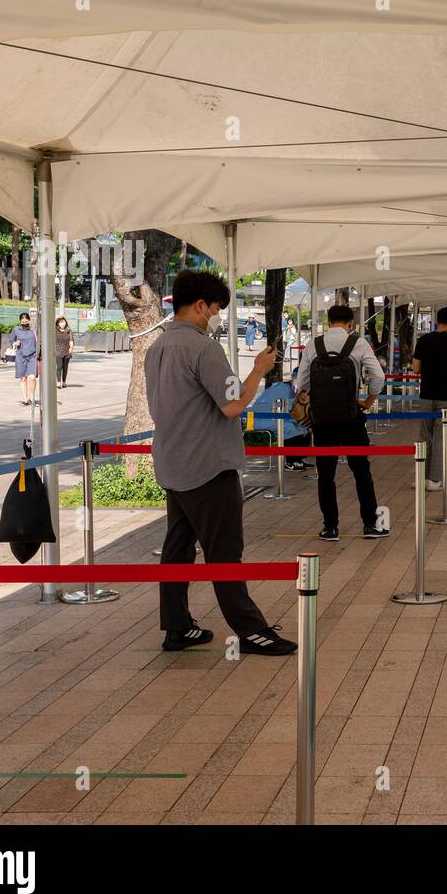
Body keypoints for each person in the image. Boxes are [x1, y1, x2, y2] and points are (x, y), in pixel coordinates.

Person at [145, 269, 296, 656]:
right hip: (209, 466)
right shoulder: (203, 348)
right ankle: (251, 631)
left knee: (177, 550)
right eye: (214, 308)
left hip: (173, 463)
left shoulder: (157, 347)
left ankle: (177, 627)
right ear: (199, 305)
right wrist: (258, 371)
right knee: (225, 552)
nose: (214, 315)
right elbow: (233, 404)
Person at [296, 303, 388, 541]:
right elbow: (378, 376)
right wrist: (368, 400)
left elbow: (302, 383)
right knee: (361, 472)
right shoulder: (357, 343)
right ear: (350, 324)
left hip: (322, 419)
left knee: (326, 475)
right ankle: (370, 525)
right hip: (351, 418)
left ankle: (330, 528)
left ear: (328, 322)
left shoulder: (313, 345)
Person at [411, 306, 447, 491]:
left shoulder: (424, 340)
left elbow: (415, 368)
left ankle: (422, 478)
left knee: (424, 436)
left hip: (426, 394)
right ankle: (435, 479)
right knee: (441, 437)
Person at [8, 312, 39, 405]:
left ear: (29, 320)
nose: (24, 322)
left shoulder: (33, 330)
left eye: (26, 321)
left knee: (32, 377)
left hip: (32, 356)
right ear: (20, 321)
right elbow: (11, 339)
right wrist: (14, 343)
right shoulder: (16, 329)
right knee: (23, 379)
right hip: (20, 356)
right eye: (23, 321)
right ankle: (25, 399)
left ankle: (31, 398)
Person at [54, 316, 75, 388]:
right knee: (59, 366)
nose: (62, 323)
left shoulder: (68, 330)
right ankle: (58, 381)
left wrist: (71, 348)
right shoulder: (55, 330)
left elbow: (71, 340)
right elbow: (51, 324)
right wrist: (57, 318)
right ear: (58, 323)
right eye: (60, 322)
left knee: (65, 367)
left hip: (67, 350)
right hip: (58, 351)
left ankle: (64, 381)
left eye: (63, 322)